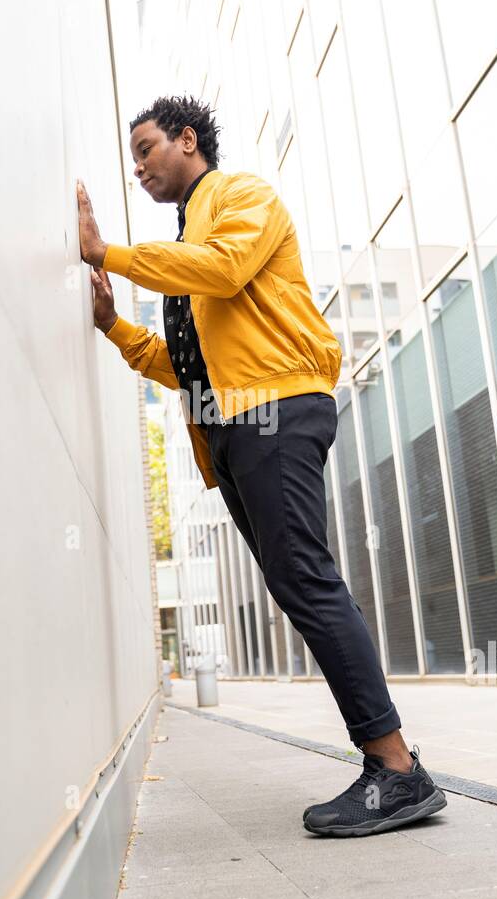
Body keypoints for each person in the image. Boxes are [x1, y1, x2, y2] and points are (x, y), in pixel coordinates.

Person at [76, 94, 446, 837]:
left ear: (188, 140)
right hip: (234, 427)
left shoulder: (240, 197)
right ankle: (394, 764)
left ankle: (397, 770)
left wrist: (106, 252)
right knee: (296, 580)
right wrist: (116, 325)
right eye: (133, 158)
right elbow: (185, 366)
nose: (139, 167)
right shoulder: (186, 255)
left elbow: (222, 267)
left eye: (147, 149)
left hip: (273, 409)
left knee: (305, 579)